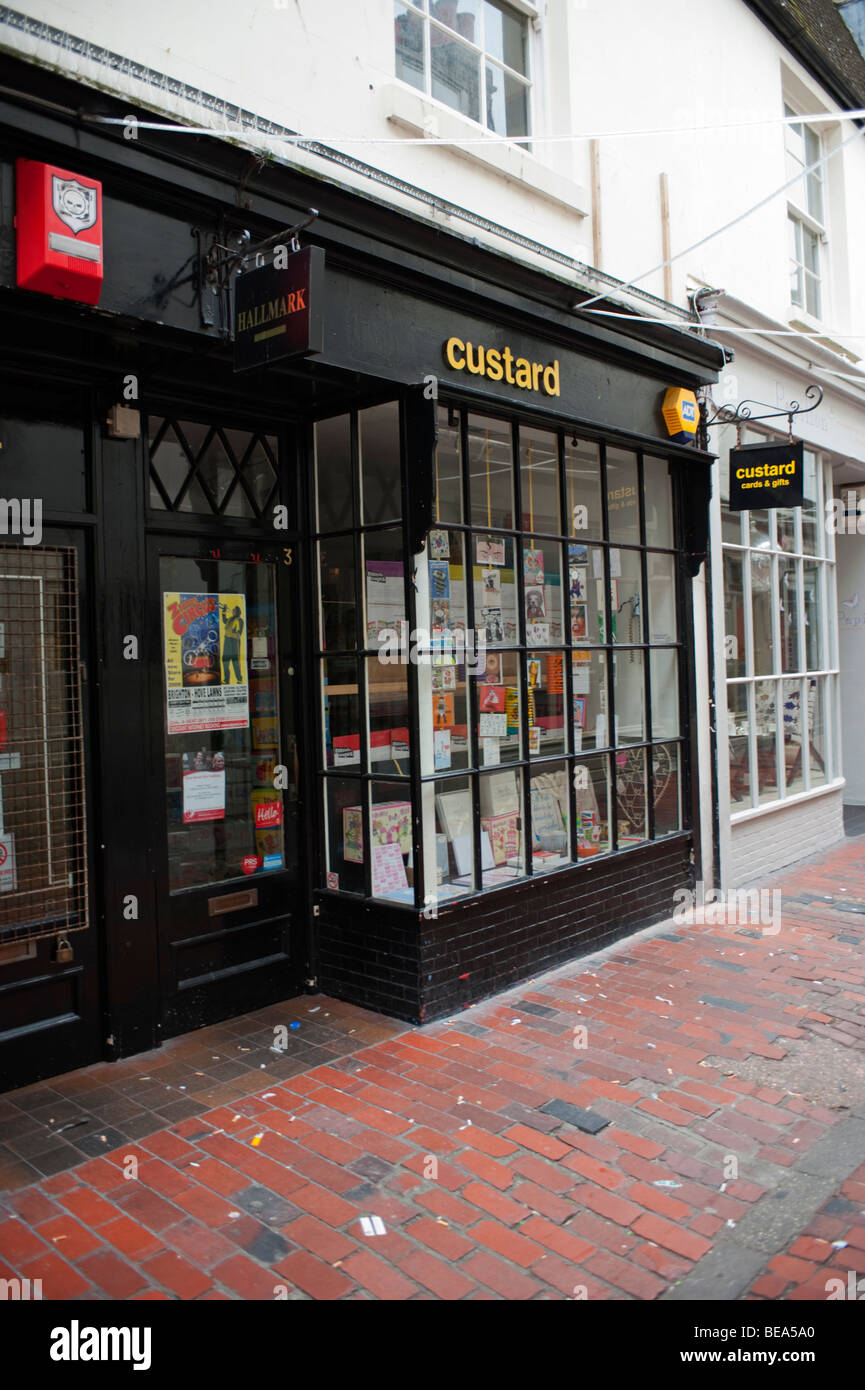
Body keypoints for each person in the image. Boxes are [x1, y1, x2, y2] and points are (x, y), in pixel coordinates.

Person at [221, 603, 244, 684]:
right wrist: (224, 610)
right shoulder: (230, 619)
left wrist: (235, 632)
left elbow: (239, 632)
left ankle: (239, 679)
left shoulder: (240, 620)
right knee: (225, 660)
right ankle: (226, 680)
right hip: (227, 641)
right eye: (233, 610)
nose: (232, 611)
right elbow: (224, 620)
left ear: (237, 612)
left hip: (234, 642)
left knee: (235, 661)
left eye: (234, 610)